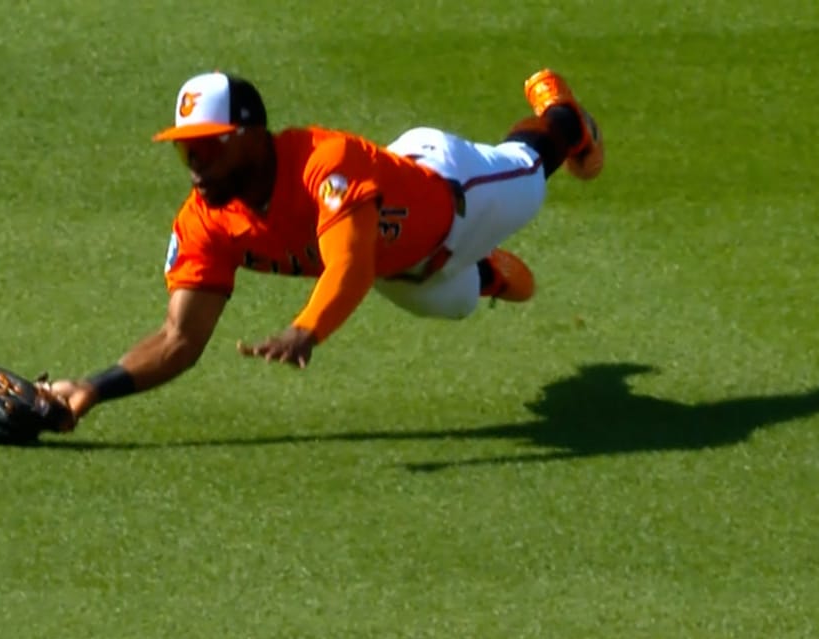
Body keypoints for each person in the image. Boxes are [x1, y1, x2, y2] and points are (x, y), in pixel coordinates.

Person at [41, 68, 603, 428]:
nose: (196, 166)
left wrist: (306, 329)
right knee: (454, 303)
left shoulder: (323, 164)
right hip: (401, 267)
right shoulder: (204, 223)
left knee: (529, 170)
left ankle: (565, 118)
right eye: (186, 151)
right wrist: (92, 388)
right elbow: (179, 339)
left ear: (254, 138)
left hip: (453, 191)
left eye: (209, 148)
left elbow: (351, 268)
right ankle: (484, 273)